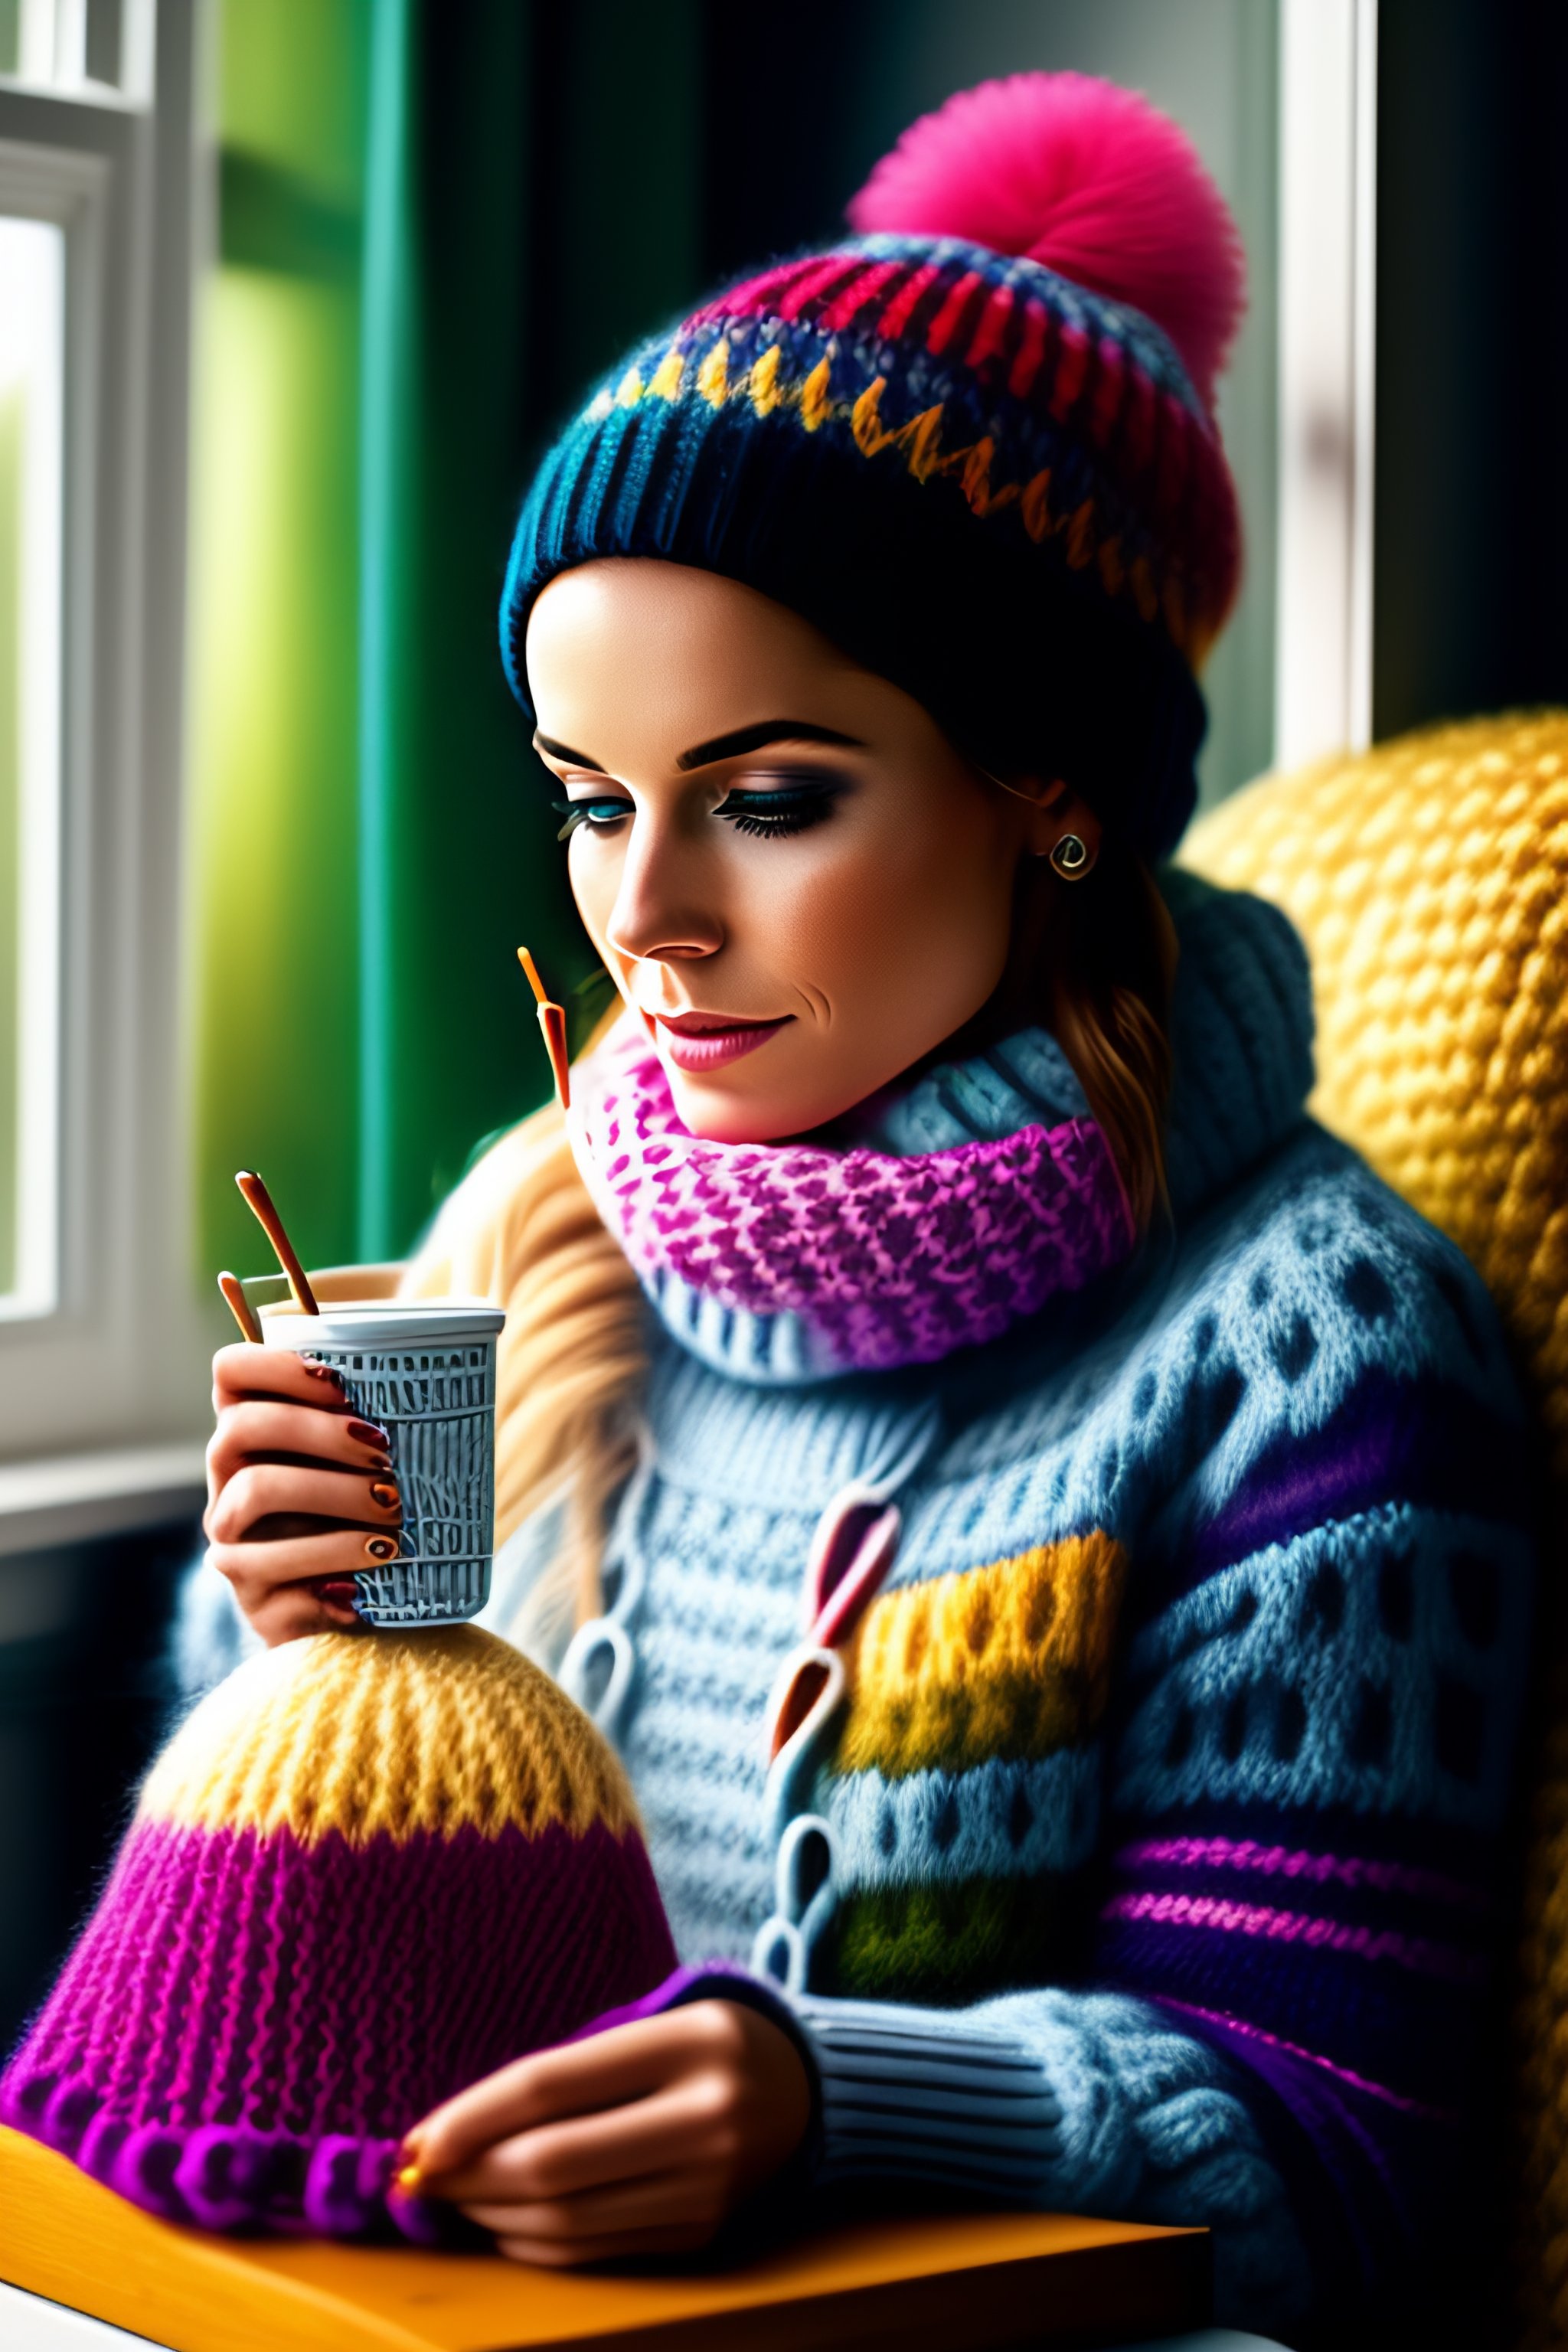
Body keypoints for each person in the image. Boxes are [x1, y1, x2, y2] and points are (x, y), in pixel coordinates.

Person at [190, 74, 1534, 2336]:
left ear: (1057, 799)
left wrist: (835, 2099)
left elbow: (1342, 2151)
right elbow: (302, 1996)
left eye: (772, 797)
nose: (654, 922)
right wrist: (290, 1662)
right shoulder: (532, 1228)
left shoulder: (1315, 1358)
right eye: (592, 805)